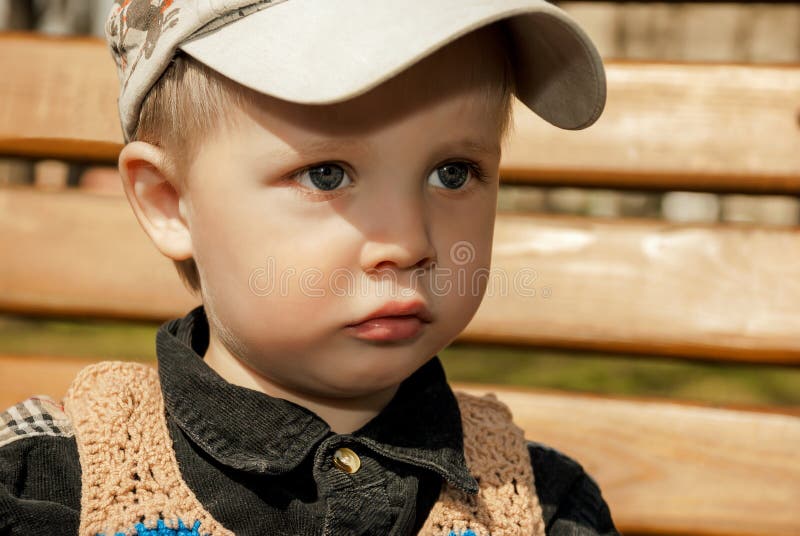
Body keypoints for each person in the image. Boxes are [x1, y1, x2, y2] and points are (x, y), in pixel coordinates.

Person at [0, 1, 617, 534]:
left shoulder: (546, 505)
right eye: (327, 174)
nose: (406, 243)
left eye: (451, 172)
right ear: (170, 202)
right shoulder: (47, 488)